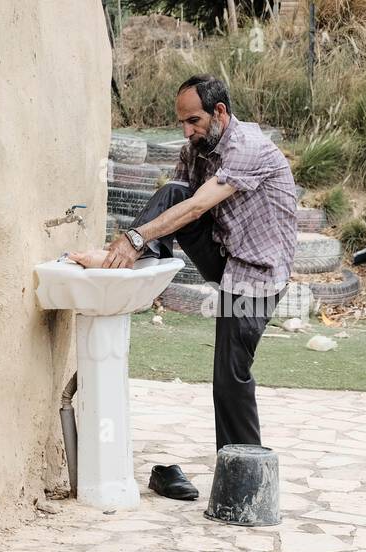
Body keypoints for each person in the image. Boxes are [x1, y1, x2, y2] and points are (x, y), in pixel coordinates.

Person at [77, 74, 297, 501]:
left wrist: (137, 238)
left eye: (193, 121)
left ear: (220, 112)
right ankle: (115, 259)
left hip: (258, 273)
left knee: (230, 377)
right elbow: (178, 201)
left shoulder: (247, 148)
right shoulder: (195, 149)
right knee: (173, 189)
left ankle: (245, 483)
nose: (187, 131)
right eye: (181, 122)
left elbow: (197, 207)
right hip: (225, 255)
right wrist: (135, 243)